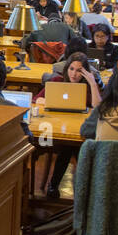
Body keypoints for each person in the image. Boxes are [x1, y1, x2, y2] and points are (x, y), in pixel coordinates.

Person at [38, 53, 102, 199]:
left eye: (79, 70)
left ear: (85, 72)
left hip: (80, 131)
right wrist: (49, 101)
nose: (74, 74)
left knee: (71, 147)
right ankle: (84, 190)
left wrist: (92, 82)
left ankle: (53, 186)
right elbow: (38, 99)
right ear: (67, 68)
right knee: (69, 146)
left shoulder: (88, 87)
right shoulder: (57, 81)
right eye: (71, 69)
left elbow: (98, 106)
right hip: (56, 129)